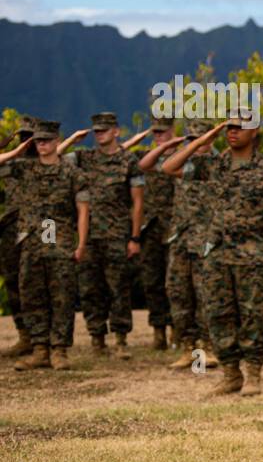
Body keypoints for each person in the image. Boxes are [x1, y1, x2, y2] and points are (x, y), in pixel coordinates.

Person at [161, 113, 263, 395]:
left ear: (254, 130)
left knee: (254, 315)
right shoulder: (214, 166)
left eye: (238, 127)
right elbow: (169, 167)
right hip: (216, 254)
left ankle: (253, 375)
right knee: (219, 314)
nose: (232, 132)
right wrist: (202, 141)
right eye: (228, 127)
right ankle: (231, 374)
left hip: (253, 254)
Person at [0, 118, 90, 371]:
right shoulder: (25, 169)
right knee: (32, 296)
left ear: (57, 141)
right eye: (38, 141)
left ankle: (59, 350)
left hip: (60, 243)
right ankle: (40, 349)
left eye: (47, 140)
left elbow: (83, 210)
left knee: (62, 297)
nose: (42, 145)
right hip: (31, 245)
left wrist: (81, 244)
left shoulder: (72, 173)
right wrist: (16, 151)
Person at [60, 112, 144, 359]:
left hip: (117, 235)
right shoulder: (83, 158)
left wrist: (135, 237)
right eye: (96, 131)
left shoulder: (129, 161)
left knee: (119, 288)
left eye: (104, 130)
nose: (99, 135)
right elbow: (51, 158)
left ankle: (120, 340)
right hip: (88, 236)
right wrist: (73, 139)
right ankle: (97, 339)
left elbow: (137, 203)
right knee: (90, 289)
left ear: (116, 131)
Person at [140, 120, 218, 368]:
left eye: (200, 140)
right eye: (191, 139)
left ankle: (209, 346)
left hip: (207, 239)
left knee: (206, 293)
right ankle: (188, 347)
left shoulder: (220, 163)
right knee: (177, 292)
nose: (195, 145)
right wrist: (172, 145)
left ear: (211, 140)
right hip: (180, 237)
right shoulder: (181, 162)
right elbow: (146, 165)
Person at [135, 119, 178, 351]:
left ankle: (177, 330)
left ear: (172, 131)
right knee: (152, 281)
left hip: (174, 227)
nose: (159, 136)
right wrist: (145, 137)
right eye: (155, 133)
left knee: (174, 282)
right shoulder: (147, 156)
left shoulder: (183, 156)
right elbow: (135, 162)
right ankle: (158, 331)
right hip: (150, 227)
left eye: (163, 132)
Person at [0, 118, 34, 359]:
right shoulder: (9, 166)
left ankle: (46, 339)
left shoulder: (54, 165)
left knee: (44, 282)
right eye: (24, 137)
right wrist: (12, 150)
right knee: (13, 282)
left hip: (43, 228)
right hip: (11, 229)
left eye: (32, 137)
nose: (28, 142)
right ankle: (25, 336)